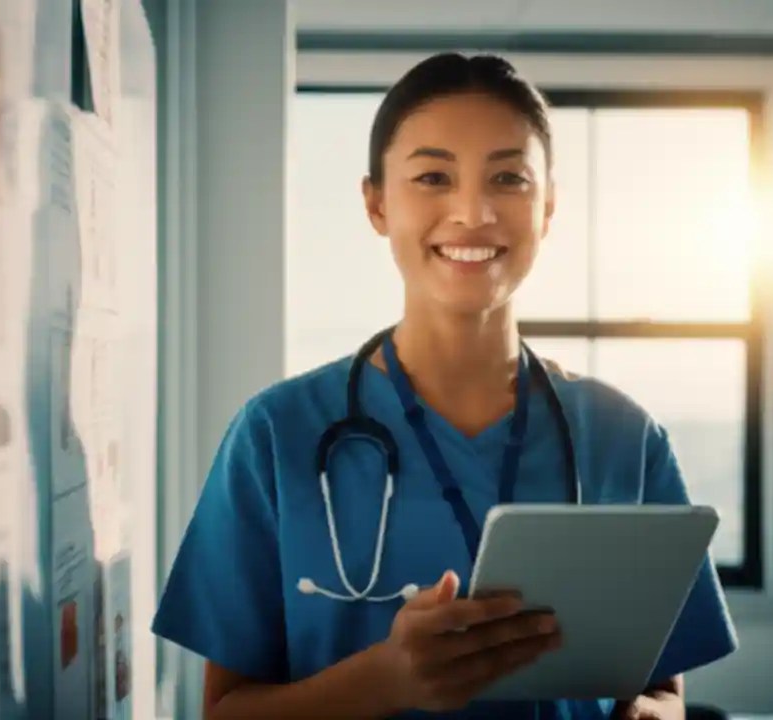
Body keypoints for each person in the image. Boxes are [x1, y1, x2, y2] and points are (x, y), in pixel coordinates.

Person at [153, 53, 737, 719]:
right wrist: (385, 680)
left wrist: (654, 715)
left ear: (548, 209)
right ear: (376, 203)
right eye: (433, 176)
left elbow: (663, 690)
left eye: (509, 178)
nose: (472, 212)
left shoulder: (624, 439)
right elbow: (224, 711)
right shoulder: (275, 436)